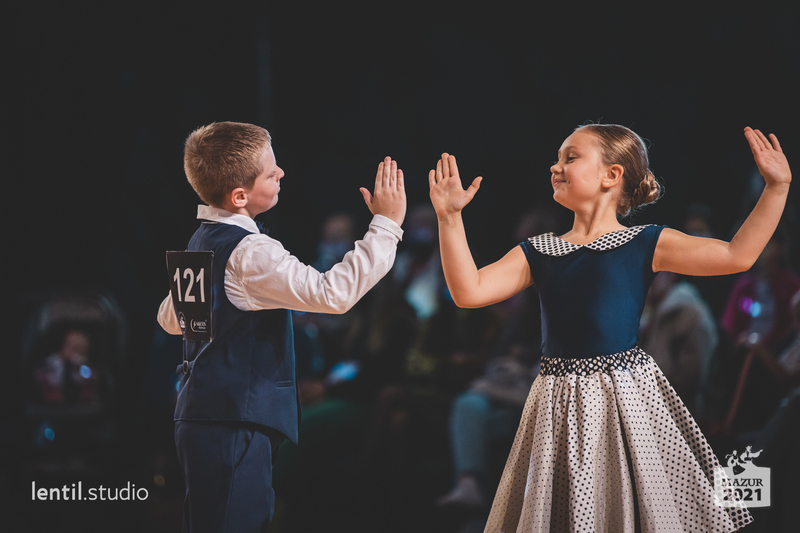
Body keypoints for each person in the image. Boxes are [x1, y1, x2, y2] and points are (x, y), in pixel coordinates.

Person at [428, 124, 791, 531]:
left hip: (622, 398)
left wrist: (775, 188)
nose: (556, 166)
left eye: (571, 157)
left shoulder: (645, 242)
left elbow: (736, 255)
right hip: (557, 400)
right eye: (557, 157)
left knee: (628, 513)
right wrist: (449, 218)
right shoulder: (539, 251)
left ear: (611, 175)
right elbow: (469, 291)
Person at [156, 121, 406, 532]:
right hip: (235, 420)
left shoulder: (201, 241)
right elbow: (332, 294)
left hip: (201, 417)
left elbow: (171, 320)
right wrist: (386, 225)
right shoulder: (251, 251)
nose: (282, 174)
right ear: (240, 196)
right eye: (271, 173)